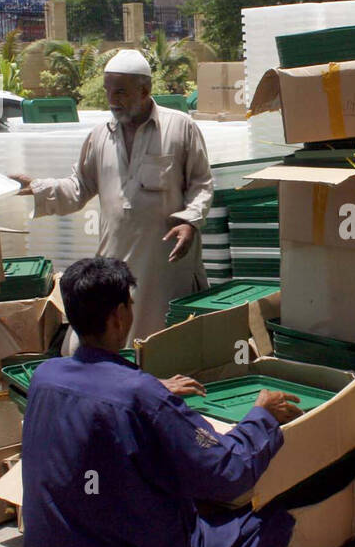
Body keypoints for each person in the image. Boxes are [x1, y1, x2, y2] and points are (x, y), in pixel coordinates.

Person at [14, 257, 301, 547]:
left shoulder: (46, 378)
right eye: (129, 304)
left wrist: (148, 386)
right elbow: (230, 472)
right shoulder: (141, 397)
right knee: (265, 523)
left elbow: (100, 396)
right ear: (119, 316)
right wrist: (261, 416)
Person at [11, 49, 214, 342]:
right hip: (117, 265)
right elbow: (79, 187)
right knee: (110, 338)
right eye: (108, 91)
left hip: (165, 264)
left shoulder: (180, 128)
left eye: (120, 92)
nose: (112, 100)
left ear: (145, 91)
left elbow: (202, 183)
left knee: (165, 343)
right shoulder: (99, 136)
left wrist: (190, 221)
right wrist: (42, 188)